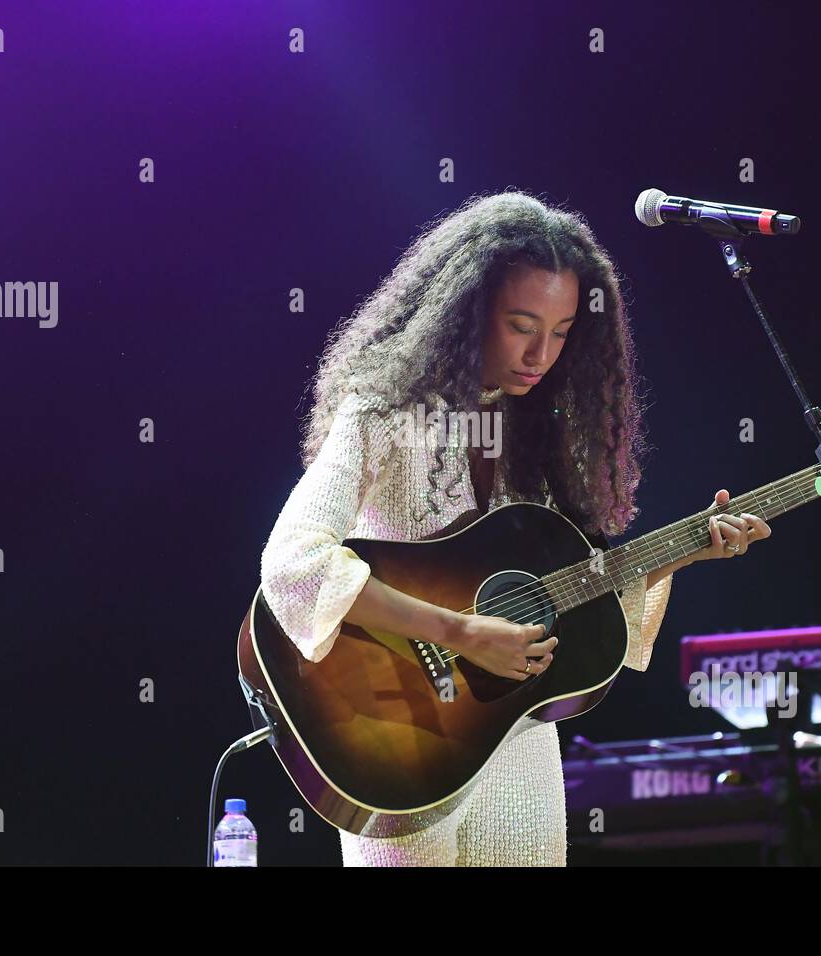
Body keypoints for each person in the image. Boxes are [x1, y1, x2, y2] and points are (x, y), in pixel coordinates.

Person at [259, 191, 771, 866]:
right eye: (522, 325)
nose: (541, 354)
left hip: (516, 733)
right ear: (466, 313)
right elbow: (295, 563)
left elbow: (573, 598)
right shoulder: (378, 412)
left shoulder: (551, 436)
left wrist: (680, 555)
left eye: (561, 333)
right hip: (395, 730)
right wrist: (461, 631)